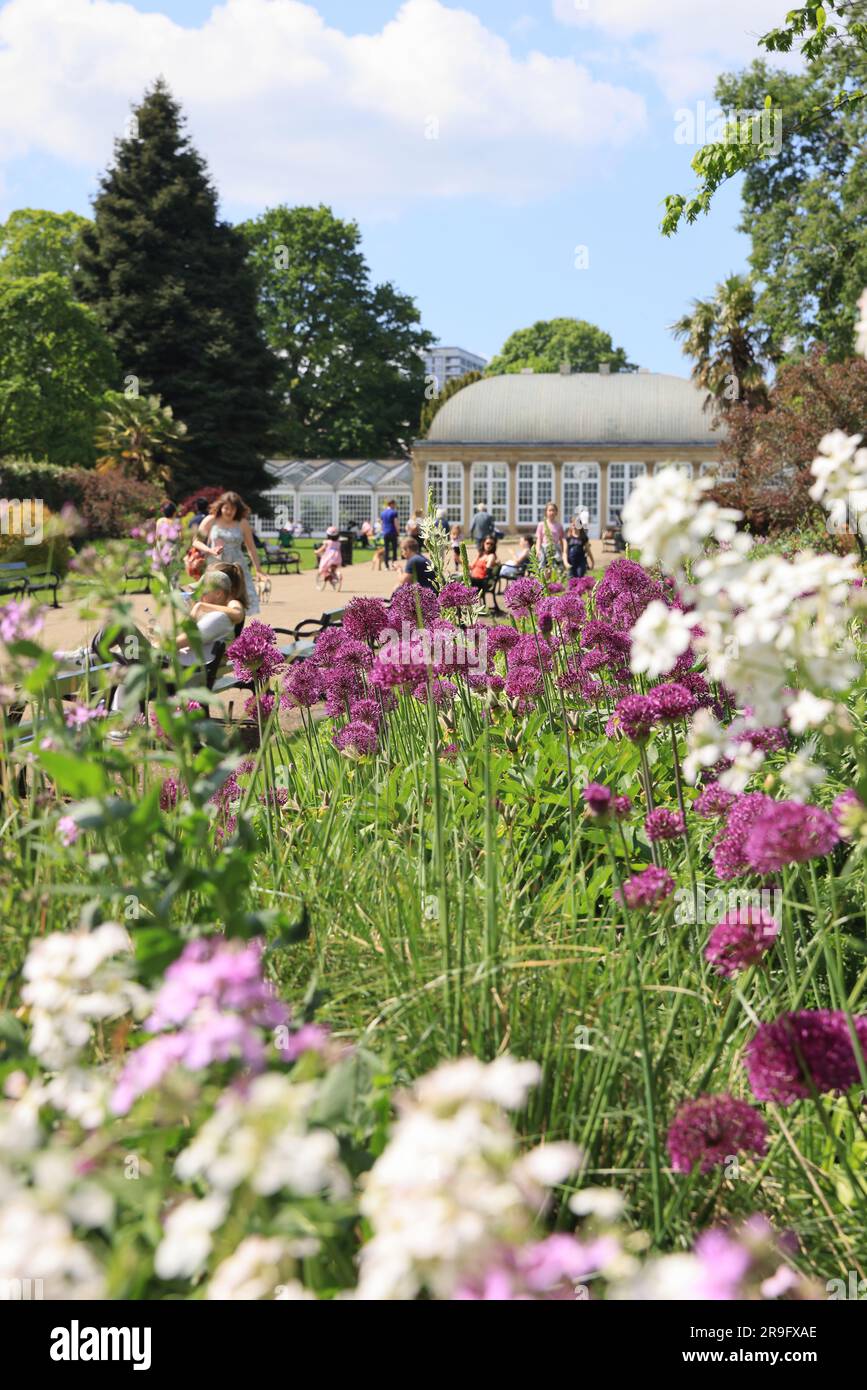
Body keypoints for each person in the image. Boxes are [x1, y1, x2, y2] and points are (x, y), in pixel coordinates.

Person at [192, 492, 265, 616]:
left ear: (238, 509)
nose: (229, 512)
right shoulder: (211, 520)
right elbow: (196, 541)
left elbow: (251, 548)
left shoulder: (242, 523)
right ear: (221, 507)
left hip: (237, 567)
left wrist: (258, 570)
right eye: (226, 508)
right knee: (216, 597)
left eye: (233, 508)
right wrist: (210, 550)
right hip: (217, 566)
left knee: (238, 601)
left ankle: (237, 631)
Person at [535, 502, 566, 570]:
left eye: (553, 510)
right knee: (543, 568)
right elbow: (539, 539)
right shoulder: (541, 524)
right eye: (549, 510)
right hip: (544, 549)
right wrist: (538, 550)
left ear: (556, 512)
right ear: (546, 512)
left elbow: (562, 540)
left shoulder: (559, 525)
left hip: (555, 549)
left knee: (556, 568)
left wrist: (563, 552)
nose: (551, 512)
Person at [315, 526, 343, 590]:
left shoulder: (327, 542)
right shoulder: (338, 543)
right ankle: (334, 576)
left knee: (323, 566)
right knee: (333, 569)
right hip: (337, 558)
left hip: (329, 558)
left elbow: (322, 549)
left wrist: (317, 551)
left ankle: (327, 575)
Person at [380, 499, 400, 569]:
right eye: (394, 504)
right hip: (392, 532)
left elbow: (382, 523)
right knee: (394, 549)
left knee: (386, 549)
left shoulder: (383, 513)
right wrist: (398, 531)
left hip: (385, 532)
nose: (395, 506)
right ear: (391, 504)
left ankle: (386, 566)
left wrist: (382, 531)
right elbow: (396, 523)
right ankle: (394, 565)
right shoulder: (394, 512)